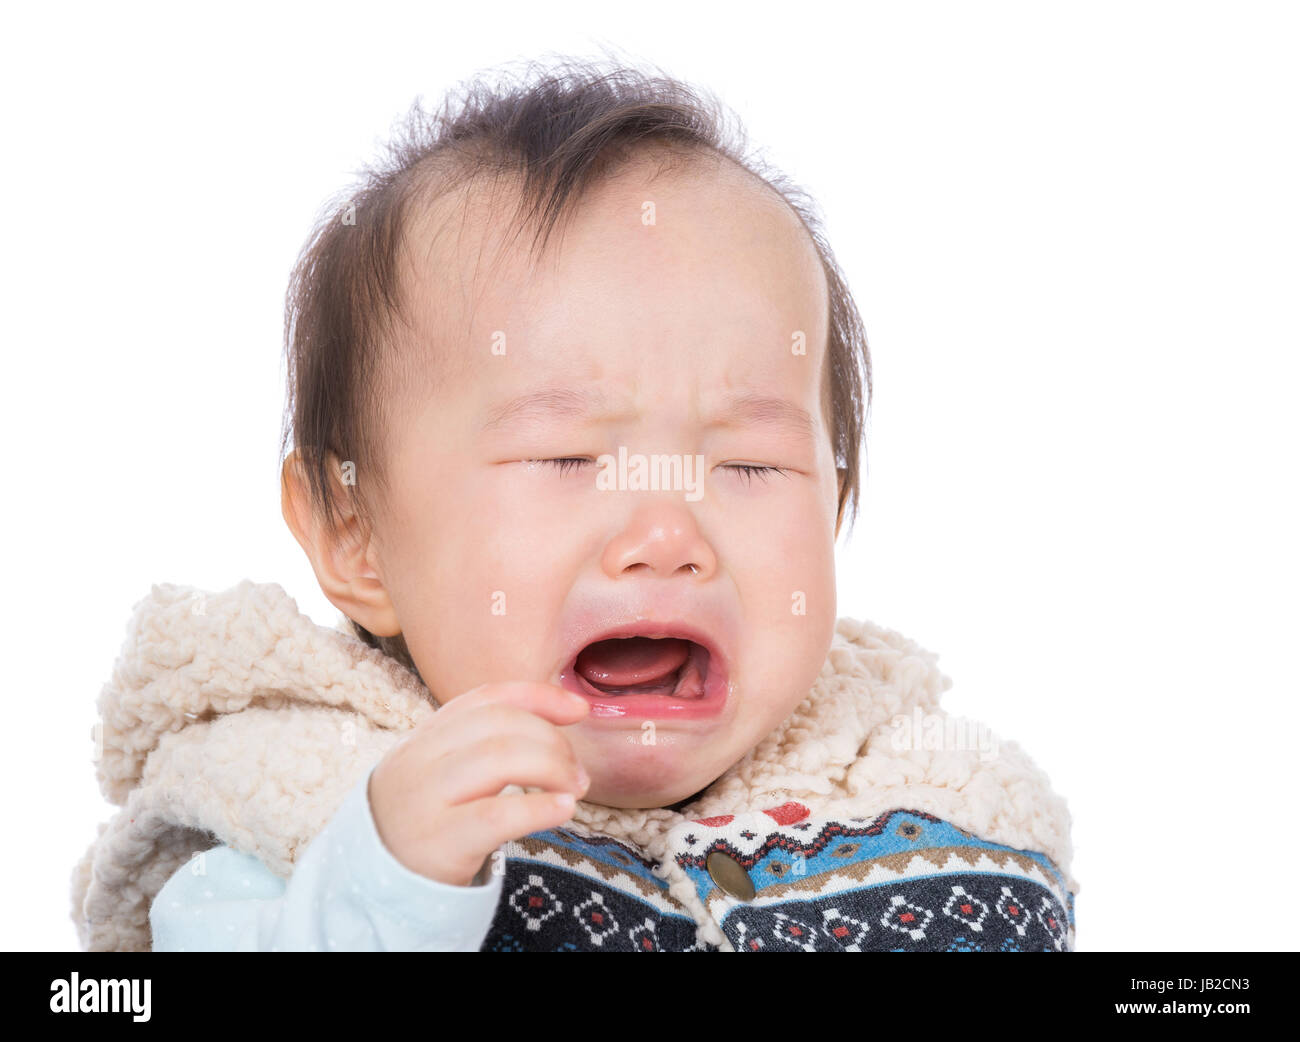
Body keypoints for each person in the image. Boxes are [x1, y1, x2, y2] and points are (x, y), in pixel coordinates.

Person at [71, 56, 1077, 952]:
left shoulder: (930, 811)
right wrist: (385, 891)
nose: (665, 535)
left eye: (751, 466)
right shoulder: (292, 814)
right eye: (563, 457)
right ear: (356, 534)